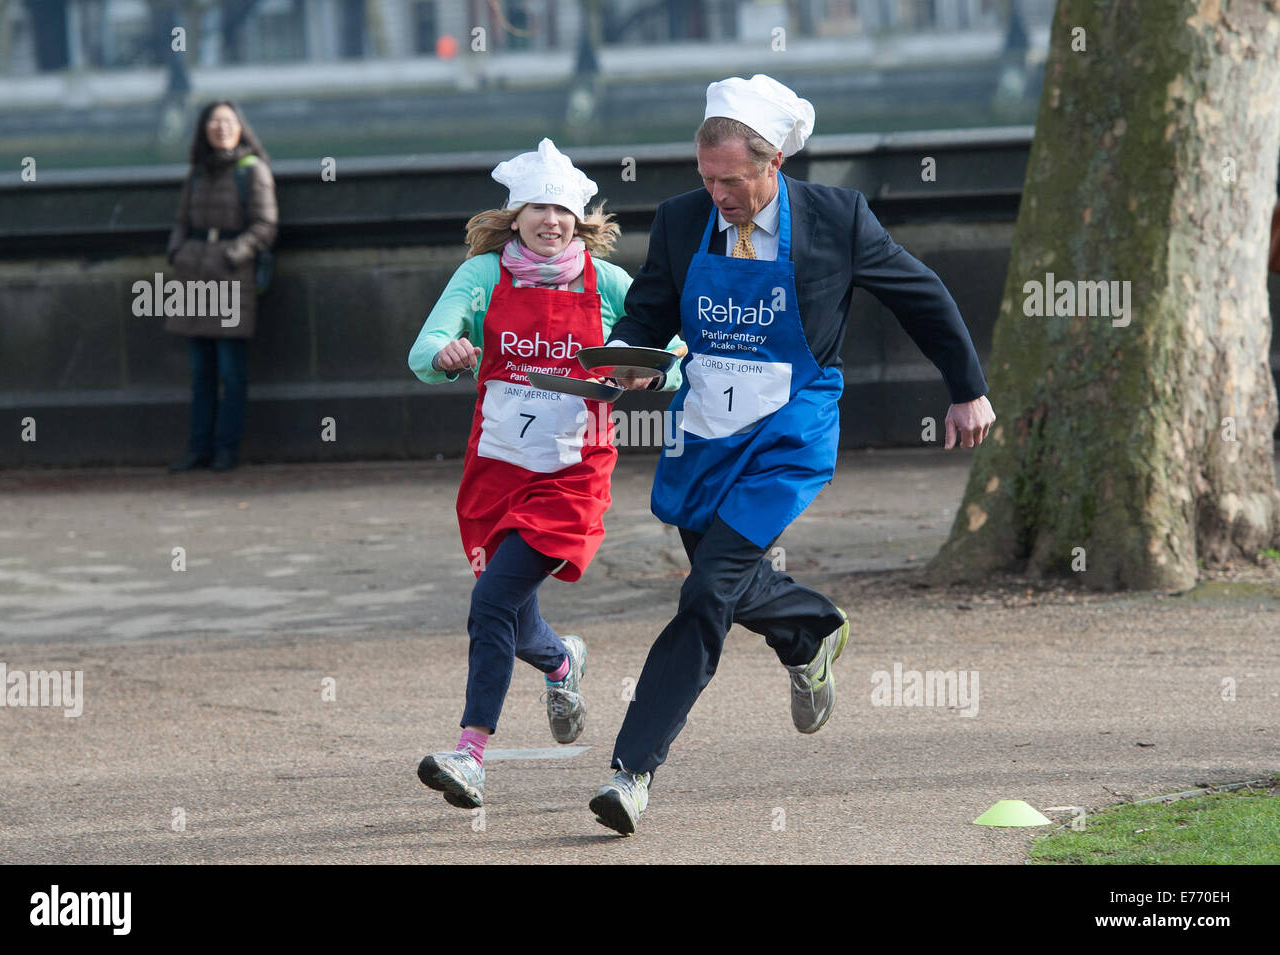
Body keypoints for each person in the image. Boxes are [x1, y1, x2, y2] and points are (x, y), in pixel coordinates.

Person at [587, 75, 996, 834]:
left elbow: (921, 293)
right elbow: (648, 307)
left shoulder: (838, 217)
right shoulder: (682, 221)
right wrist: (635, 358)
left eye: (732, 181)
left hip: (790, 434)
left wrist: (966, 388)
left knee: (707, 593)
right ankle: (809, 628)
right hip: (704, 432)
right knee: (729, 583)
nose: (718, 195)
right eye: (707, 178)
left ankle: (632, 769)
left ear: (773, 164)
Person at [408, 139, 682, 810]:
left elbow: (673, 356)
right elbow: (423, 348)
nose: (550, 221)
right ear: (516, 213)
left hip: (572, 475)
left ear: (580, 218)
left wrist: (646, 367)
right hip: (495, 470)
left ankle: (471, 755)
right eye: (537, 209)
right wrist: (447, 352)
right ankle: (562, 663)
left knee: (491, 602)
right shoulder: (482, 276)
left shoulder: (610, 283)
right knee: (512, 611)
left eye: (562, 210)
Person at [165, 101, 277, 472]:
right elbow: (182, 220)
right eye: (214, 121)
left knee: (231, 370)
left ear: (240, 127)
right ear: (204, 129)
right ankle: (198, 449)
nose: (220, 127)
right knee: (200, 372)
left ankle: (226, 452)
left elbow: (265, 226)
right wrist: (177, 251)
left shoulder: (252, 169)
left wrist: (234, 254)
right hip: (193, 275)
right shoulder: (197, 172)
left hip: (231, 278)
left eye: (227, 121)